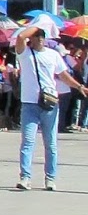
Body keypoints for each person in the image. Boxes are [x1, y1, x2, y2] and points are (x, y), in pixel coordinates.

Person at [14, 21, 87, 191]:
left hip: (50, 102)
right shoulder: (25, 53)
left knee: (50, 143)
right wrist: (39, 25)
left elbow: (63, 75)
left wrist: (79, 87)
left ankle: (50, 178)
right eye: (35, 36)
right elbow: (20, 36)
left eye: (41, 36)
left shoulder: (53, 55)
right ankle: (25, 177)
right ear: (31, 39)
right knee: (28, 141)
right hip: (30, 103)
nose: (39, 38)